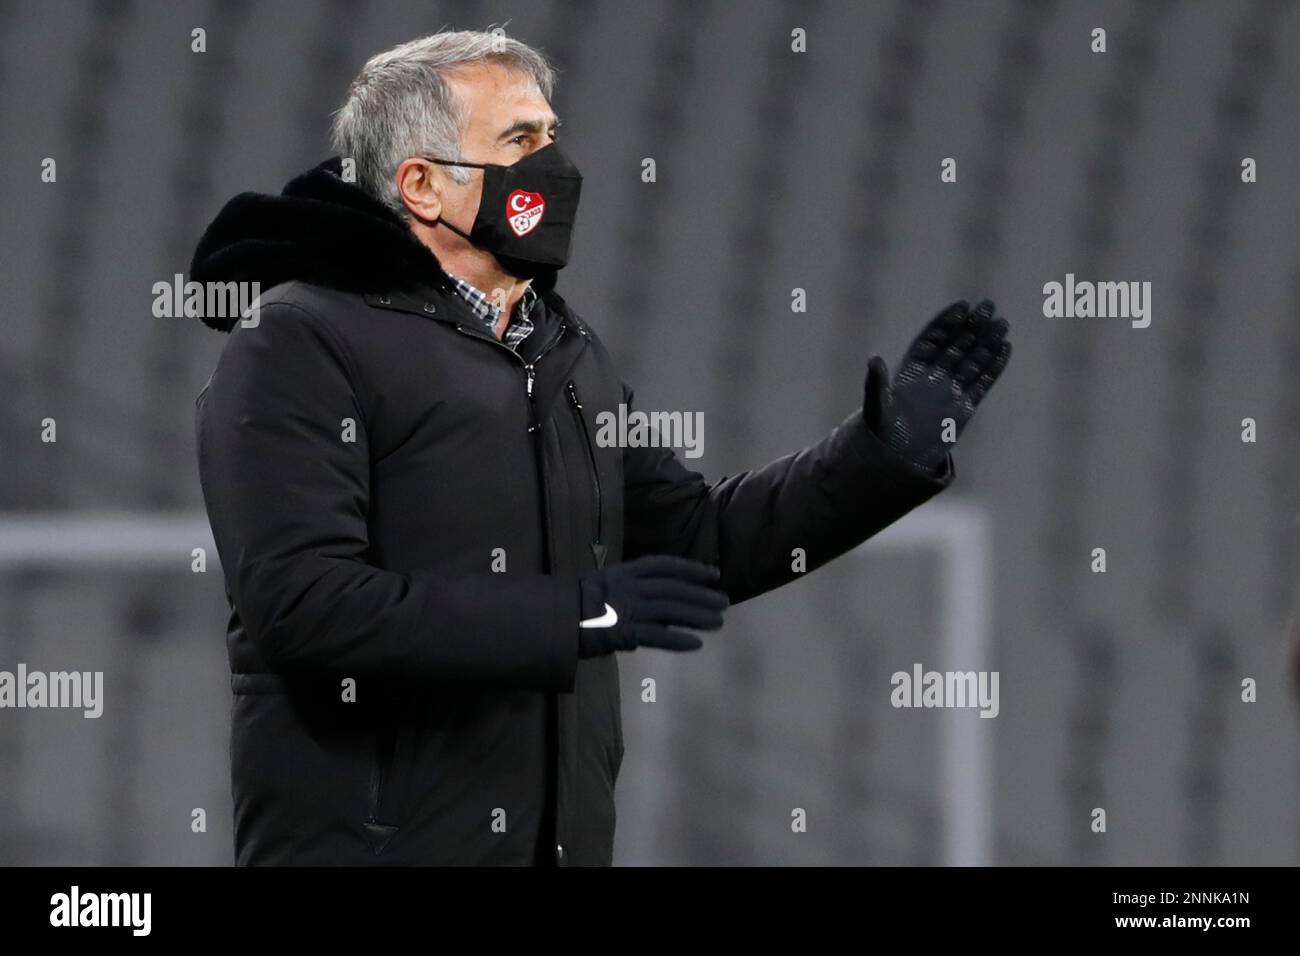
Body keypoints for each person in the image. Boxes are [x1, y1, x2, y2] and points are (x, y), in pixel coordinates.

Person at [190, 29, 1012, 866]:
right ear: (424, 185)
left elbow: (699, 539)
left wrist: (882, 454)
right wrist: (578, 611)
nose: (555, 165)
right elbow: (304, 604)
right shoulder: (298, 339)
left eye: (552, 135)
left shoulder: (563, 351)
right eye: (519, 140)